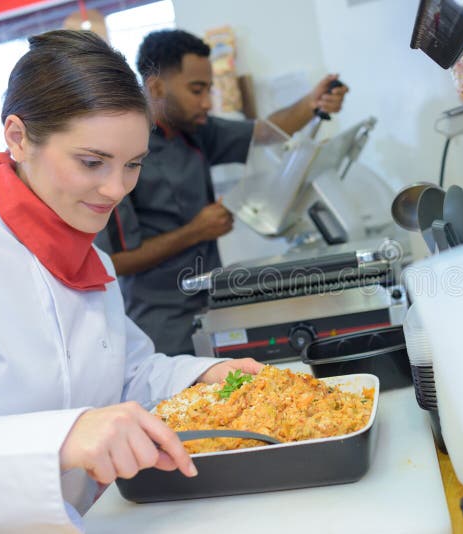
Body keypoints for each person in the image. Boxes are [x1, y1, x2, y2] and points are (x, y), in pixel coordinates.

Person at [0, 30, 262, 533]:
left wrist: (201, 379)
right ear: (17, 138)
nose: (115, 190)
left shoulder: (90, 260)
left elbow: (125, 375)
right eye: (91, 163)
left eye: (132, 166)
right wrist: (63, 438)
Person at [95, 29, 350, 356]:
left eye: (209, 89)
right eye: (196, 90)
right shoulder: (122, 152)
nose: (206, 102)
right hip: (162, 324)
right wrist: (196, 231)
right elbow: (114, 262)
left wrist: (312, 103)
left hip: (212, 302)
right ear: (156, 87)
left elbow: (265, 133)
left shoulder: (196, 130)